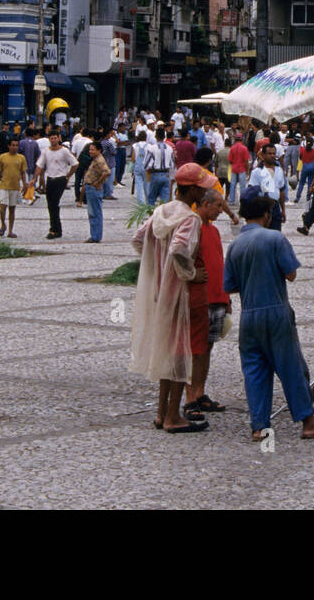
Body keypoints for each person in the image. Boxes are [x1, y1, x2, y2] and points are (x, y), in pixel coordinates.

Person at [224, 195, 314, 441]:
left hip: (249, 316)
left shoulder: (235, 245)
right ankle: (308, 422)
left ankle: (259, 427)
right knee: (291, 367)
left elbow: (230, 286)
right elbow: (291, 273)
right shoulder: (275, 238)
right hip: (275, 310)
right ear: (266, 215)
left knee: (254, 370)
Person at [129, 161, 209, 434]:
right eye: (201, 189)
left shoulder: (161, 212)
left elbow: (139, 240)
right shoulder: (190, 218)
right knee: (178, 355)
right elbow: (178, 249)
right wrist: (189, 274)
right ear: (194, 191)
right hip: (178, 294)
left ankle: (162, 412)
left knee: (166, 351)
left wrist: (157, 266)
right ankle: (174, 415)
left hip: (159, 292)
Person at [182, 188, 232, 419]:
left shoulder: (214, 231)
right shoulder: (193, 229)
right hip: (200, 297)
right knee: (195, 348)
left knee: (208, 347)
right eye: (218, 206)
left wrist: (226, 296)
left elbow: (219, 263)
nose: (221, 210)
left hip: (217, 296)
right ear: (204, 204)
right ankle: (189, 396)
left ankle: (200, 392)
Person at [35, 130, 78, 239]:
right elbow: (40, 165)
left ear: (58, 138)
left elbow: (75, 163)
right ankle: (55, 228)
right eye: (51, 138)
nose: (53, 140)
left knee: (54, 203)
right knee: (50, 205)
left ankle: (55, 230)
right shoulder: (46, 151)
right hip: (50, 179)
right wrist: (34, 179)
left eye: (55, 138)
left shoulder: (64, 151)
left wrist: (68, 175)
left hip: (60, 179)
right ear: (49, 139)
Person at [0, 137, 29, 238]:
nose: (15, 147)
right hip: (4, 185)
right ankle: (3, 224)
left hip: (15, 187)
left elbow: (23, 173)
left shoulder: (21, 158)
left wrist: (25, 185)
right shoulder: (3, 157)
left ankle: (10, 231)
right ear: (9, 146)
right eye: (13, 145)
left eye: (16, 145)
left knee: (12, 209)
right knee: (2, 207)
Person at [248, 141, 288, 230]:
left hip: (275, 207)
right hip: (261, 208)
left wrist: (283, 210)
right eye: (269, 153)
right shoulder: (257, 172)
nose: (272, 156)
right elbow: (251, 192)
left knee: (275, 235)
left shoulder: (279, 171)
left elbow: (281, 191)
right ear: (263, 155)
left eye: (274, 153)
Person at [83, 142, 111, 243]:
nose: (90, 151)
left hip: (93, 188)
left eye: (92, 149)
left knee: (94, 212)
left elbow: (107, 172)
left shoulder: (99, 160)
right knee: (93, 212)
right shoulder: (96, 159)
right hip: (91, 187)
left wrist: (98, 182)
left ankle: (95, 236)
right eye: (90, 149)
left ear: (99, 150)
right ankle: (95, 235)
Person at [144, 127, 175, 205]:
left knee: (151, 198)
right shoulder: (169, 148)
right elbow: (172, 164)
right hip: (166, 174)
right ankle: (163, 216)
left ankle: (152, 215)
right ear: (164, 137)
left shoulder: (151, 148)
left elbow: (146, 165)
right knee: (165, 200)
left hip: (155, 174)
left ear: (156, 136)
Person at [228, 131, 251, 204]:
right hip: (242, 169)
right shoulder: (244, 148)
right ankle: (242, 201)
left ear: (235, 139)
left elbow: (230, 160)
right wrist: (247, 170)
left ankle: (232, 201)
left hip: (234, 168)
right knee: (242, 186)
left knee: (232, 185)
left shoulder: (232, 148)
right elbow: (246, 160)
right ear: (242, 139)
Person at [293, 136, 314, 203]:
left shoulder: (303, 150)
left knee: (301, 183)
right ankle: (308, 197)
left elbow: (300, 157)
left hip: (305, 166)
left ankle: (297, 197)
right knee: (310, 183)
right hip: (312, 166)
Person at [130, 129, 150, 200]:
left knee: (139, 186)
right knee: (147, 185)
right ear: (145, 137)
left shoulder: (135, 145)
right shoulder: (149, 146)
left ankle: (140, 202)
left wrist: (130, 169)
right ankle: (148, 201)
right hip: (146, 168)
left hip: (137, 167)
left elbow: (132, 158)